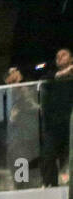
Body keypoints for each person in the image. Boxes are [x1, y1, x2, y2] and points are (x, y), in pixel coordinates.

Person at [41, 48, 73, 187]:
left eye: (63, 55)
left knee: (68, 157)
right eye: (57, 56)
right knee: (48, 155)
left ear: (71, 59)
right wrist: (64, 73)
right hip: (53, 126)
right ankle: (50, 185)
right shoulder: (50, 76)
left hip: (70, 125)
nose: (59, 57)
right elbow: (43, 81)